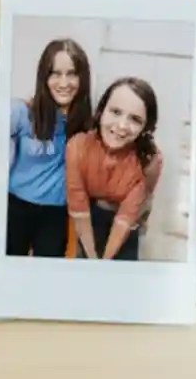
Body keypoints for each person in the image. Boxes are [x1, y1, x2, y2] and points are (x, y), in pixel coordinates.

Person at [6, 38, 93, 258]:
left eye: (72, 73)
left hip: (56, 213)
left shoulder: (89, 125)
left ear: (82, 78)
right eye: (55, 73)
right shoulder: (22, 112)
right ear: (44, 77)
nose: (64, 82)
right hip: (15, 206)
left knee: (45, 278)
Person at [64, 77, 163, 261]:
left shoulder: (150, 160)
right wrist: (92, 257)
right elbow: (79, 206)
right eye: (115, 112)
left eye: (135, 119)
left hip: (129, 219)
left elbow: (126, 218)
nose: (122, 126)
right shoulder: (77, 147)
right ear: (101, 111)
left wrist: (105, 263)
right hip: (91, 212)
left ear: (145, 127)